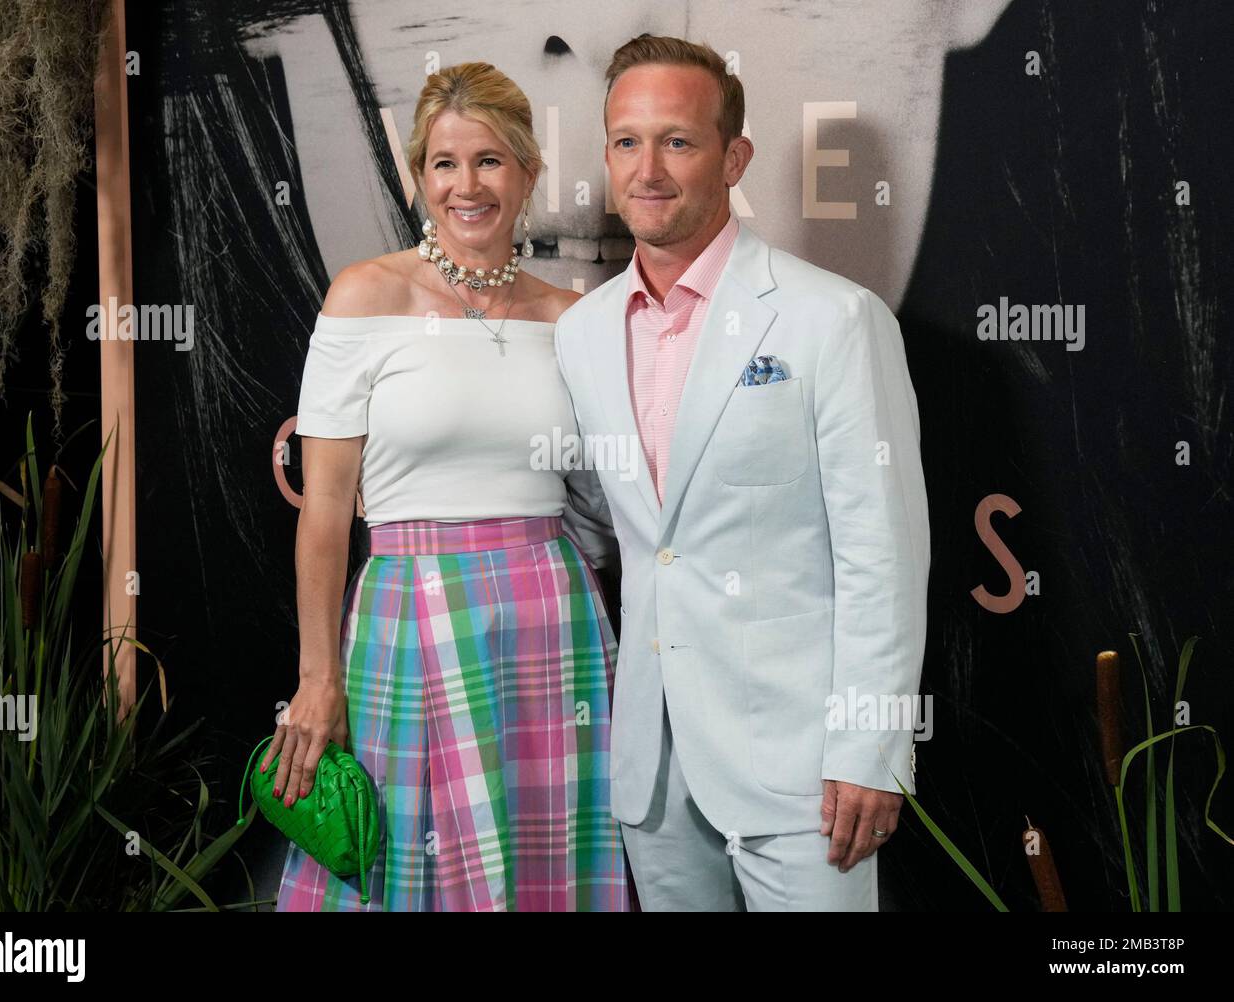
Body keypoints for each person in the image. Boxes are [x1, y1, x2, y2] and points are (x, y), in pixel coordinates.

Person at [554, 35, 931, 911]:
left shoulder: (833, 319)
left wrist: (868, 748)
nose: (648, 168)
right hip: (652, 770)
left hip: (806, 774)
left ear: (735, 158)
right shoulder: (582, 333)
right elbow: (604, 527)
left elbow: (884, 554)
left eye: (678, 141)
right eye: (626, 141)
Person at [266, 61, 632, 911]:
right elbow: (323, 515)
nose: (466, 186)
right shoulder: (365, 296)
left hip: (552, 616)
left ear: (529, 173)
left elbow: (605, 504)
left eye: (490, 161)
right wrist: (317, 680)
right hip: (409, 615)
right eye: (443, 163)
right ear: (419, 177)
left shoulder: (571, 318)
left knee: (549, 866)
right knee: (403, 867)